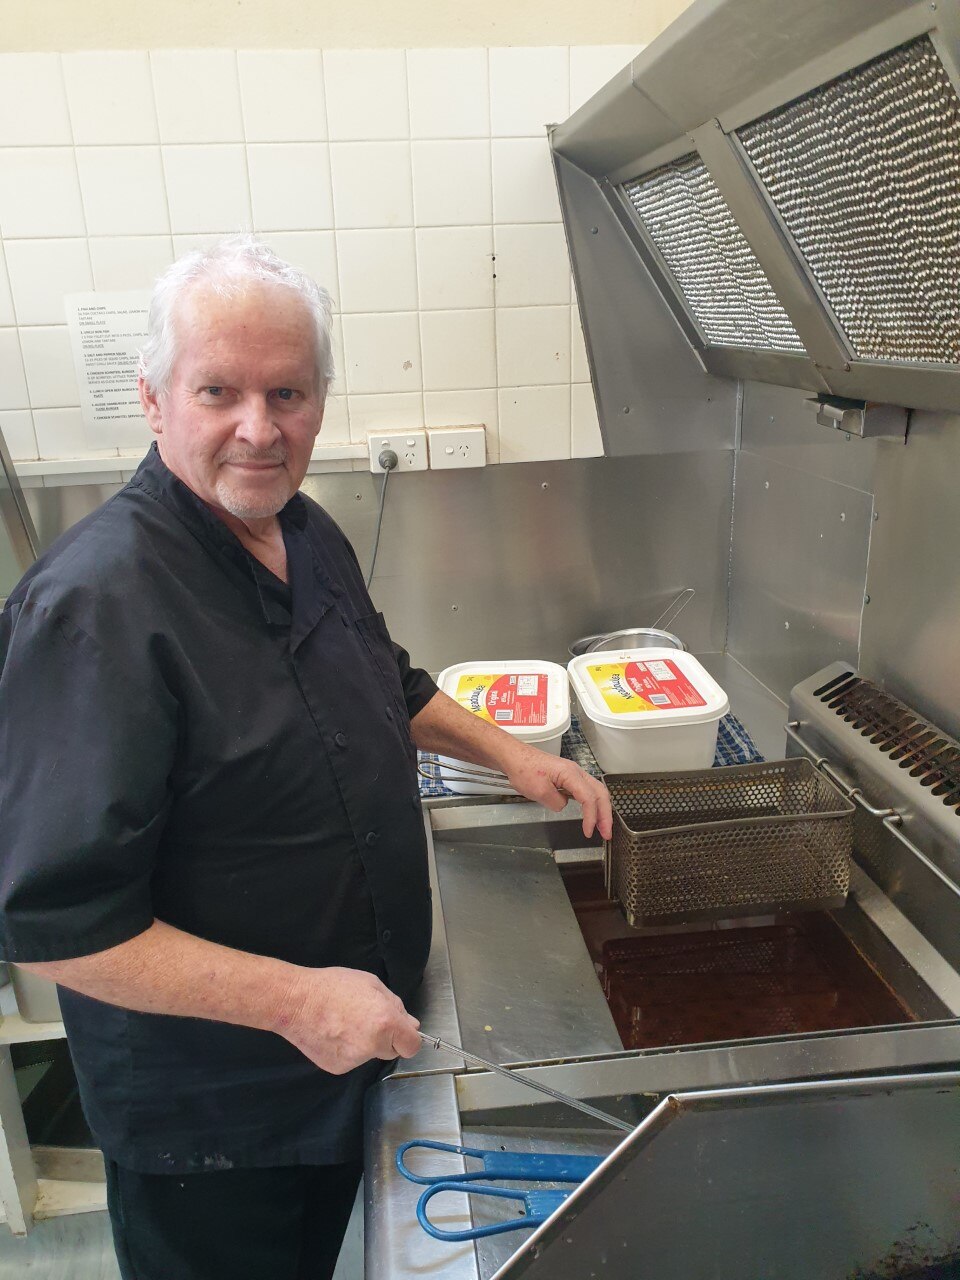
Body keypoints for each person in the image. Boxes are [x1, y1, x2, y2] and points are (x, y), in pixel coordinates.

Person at [0, 237, 612, 1280]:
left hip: (345, 1060)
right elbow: (52, 926)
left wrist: (509, 752)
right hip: (216, 1120)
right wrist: (298, 1002)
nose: (259, 427)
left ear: (320, 400)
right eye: (219, 391)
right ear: (153, 400)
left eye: (287, 392)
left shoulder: (301, 527)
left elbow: (386, 675)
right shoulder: (94, 609)